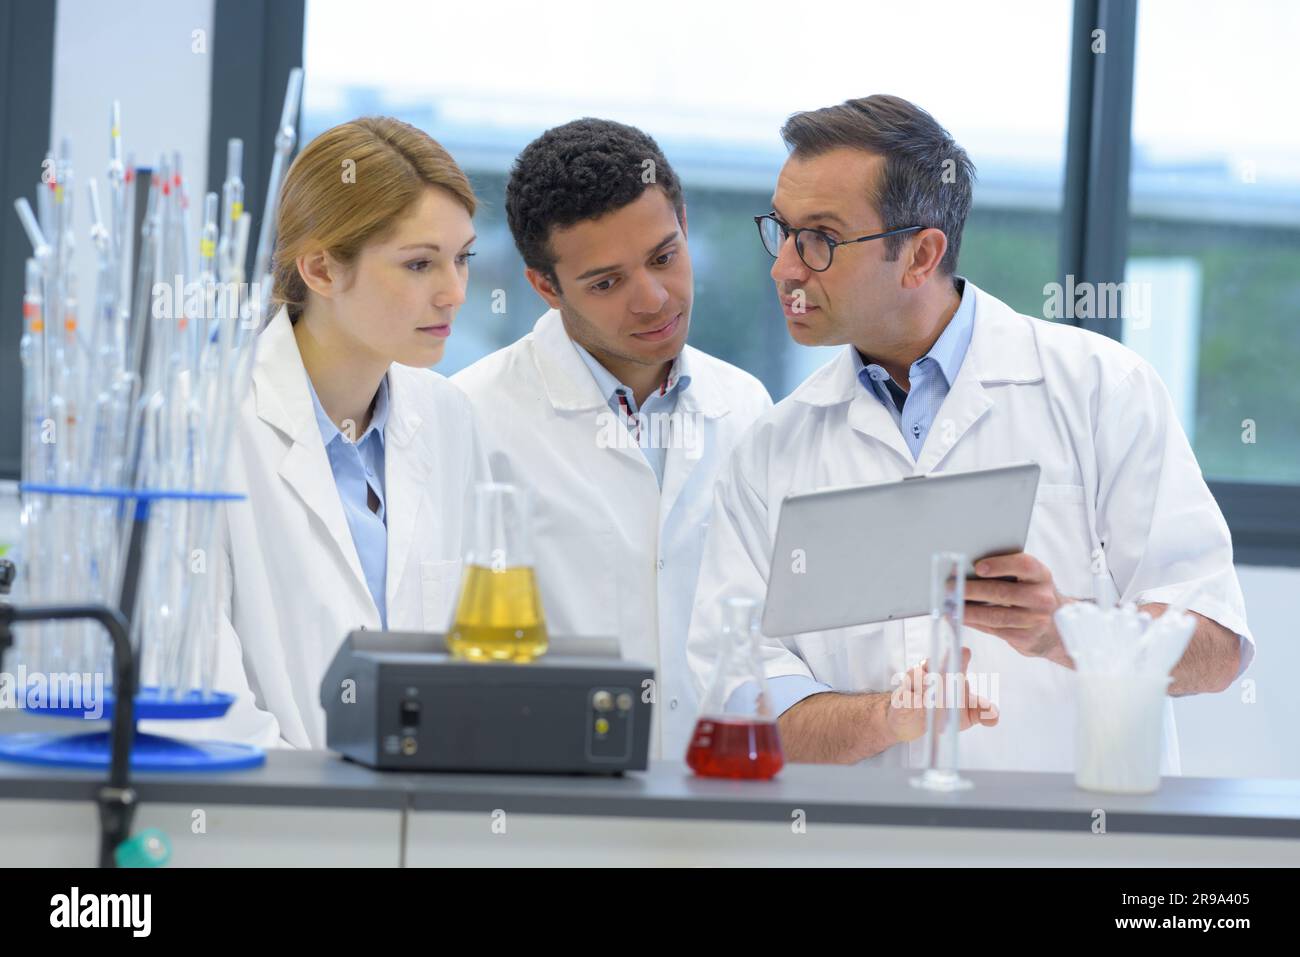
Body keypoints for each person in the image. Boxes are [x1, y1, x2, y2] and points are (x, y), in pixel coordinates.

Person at [687, 95, 1252, 772]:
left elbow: (1216, 647)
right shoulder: (772, 449)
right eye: (782, 231)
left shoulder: (1103, 389)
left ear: (921, 255)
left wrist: (1065, 627)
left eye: (820, 239)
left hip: (1067, 846)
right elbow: (745, 703)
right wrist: (889, 717)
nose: (785, 267)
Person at [453, 119, 772, 759]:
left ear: (682, 221)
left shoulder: (747, 407)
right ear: (545, 287)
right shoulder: (468, 415)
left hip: (717, 803)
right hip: (549, 804)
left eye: (664, 257)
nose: (653, 300)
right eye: (606, 283)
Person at [195, 117, 489, 748]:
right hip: (265, 826)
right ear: (322, 271)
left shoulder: (448, 417)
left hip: (423, 824)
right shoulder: (208, 425)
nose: (454, 293)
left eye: (462, 259)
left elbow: (473, 663)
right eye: (419, 265)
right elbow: (203, 703)